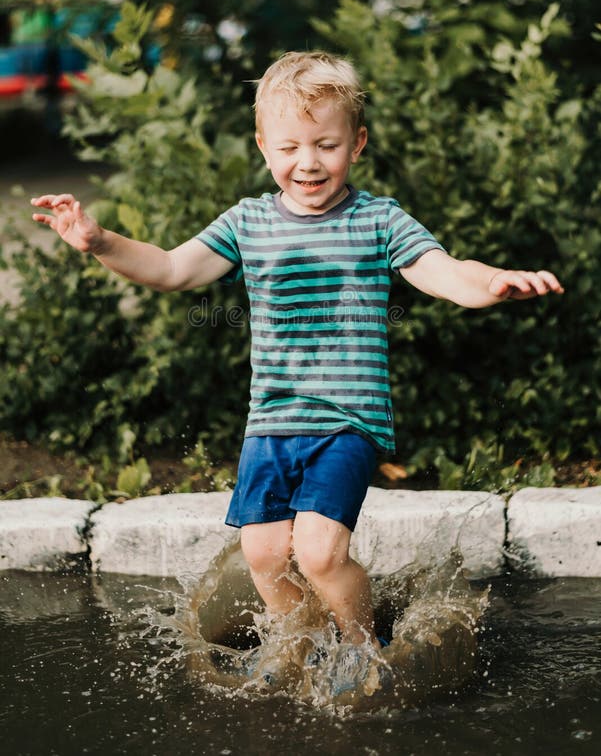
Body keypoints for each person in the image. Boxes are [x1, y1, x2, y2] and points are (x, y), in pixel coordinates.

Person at [31, 51, 564, 651]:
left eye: (326, 145)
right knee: (262, 554)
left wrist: (493, 283)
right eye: (289, 148)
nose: (307, 163)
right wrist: (100, 240)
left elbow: (445, 273)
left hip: (346, 419)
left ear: (356, 144)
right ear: (263, 146)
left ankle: (364, 652)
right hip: (273, 420)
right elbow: (172, 267)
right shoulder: (249, 223)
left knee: (318, 552)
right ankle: (303, 649)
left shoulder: (379, 221)